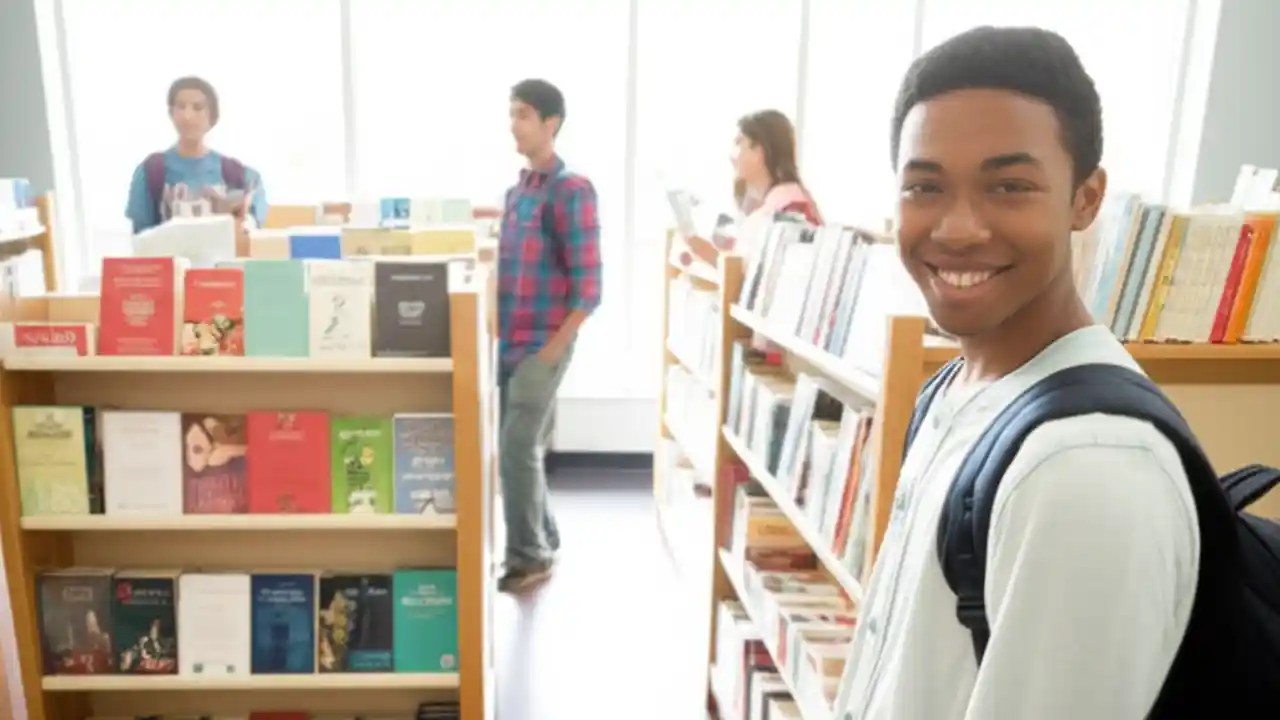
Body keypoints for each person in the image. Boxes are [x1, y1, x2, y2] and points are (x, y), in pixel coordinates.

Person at [834, 27, 1199, 719]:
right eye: (925, 186)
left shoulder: (1085, 466)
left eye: (1009, 186)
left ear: (1085, 198)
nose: (959, 227)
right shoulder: (958, 389)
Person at [496, 78, 602, 594]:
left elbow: (589, 287)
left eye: (523, 114)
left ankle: (528, 558)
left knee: (516, 447)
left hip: (542, 342)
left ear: (550, 123)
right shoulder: (518, 192)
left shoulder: (571, 190)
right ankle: (546, 536)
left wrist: (554, 347)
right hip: (509, 342)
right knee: (523, 446)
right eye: (511, 113)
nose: (513, 123)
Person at [125, 76, 266, 234]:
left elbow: (253, 225)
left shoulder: (239, 175)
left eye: (198, 108)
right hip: (169, 257)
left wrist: (245, 218)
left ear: (212, 116)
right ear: (171, 112)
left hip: (220, 258)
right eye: (181, 106)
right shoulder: (151, 171)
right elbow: (141, 239)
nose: (188, 115)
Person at [683, 109, 822, 266]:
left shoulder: (789, 209)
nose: (732, 156)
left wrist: (715, 258)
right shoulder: (775, 205)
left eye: (739, 143)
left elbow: (775, 278)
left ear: (759, 151)